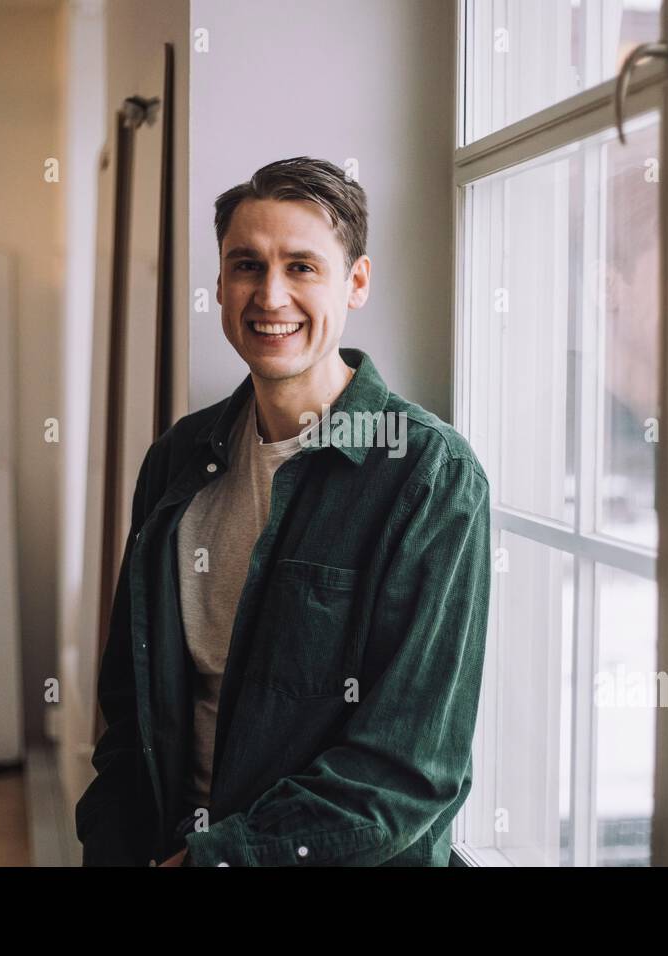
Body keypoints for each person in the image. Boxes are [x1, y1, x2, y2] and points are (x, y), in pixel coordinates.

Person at [75, 156, 491, 866]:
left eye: (302, 267)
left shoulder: (429, 477)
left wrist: (222, 859)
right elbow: (130, 707)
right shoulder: (177, 459)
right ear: (218, 285)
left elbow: (407, 770)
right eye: (247, 265)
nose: (270, 295)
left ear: (356, 283)